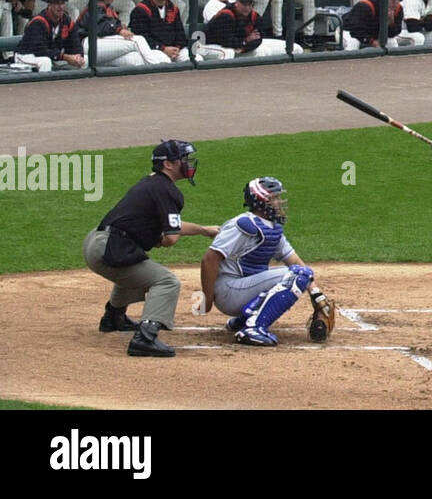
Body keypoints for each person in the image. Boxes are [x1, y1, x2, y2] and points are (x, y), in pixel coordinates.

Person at [83, 140, 219, 358]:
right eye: (183, 159)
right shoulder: (166, 190)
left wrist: (204, 230)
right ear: (168, 164)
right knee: (166, 281)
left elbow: (167, 227)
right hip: (109, 247)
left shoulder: (152, 183)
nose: (188, 163)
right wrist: (163, 239)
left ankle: (113, 318)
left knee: (135, 264)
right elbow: (171, 238)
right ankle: (145, 338)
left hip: (98, 242)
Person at [200, 176, 334, 347]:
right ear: (261, 202)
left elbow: (294, 260)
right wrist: (207, 298)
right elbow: (209, 259)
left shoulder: (272, 228)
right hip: (229, 291)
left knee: (300, 272)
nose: (280, 202)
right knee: (298, 275)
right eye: (275, 198)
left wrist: (316, 293)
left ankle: (244, 320)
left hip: (242, 288)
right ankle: (254, 328)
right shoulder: (242, 225)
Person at [204, 0, 301, 58]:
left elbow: (258, 39)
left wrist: (243, 48)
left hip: (238, 46)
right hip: (209, 45)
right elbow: (225, 41)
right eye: (244, 4)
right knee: (228, 53)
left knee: (296, 48)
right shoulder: (226, 15)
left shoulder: (255, 16)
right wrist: (246, 41)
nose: (247, 7)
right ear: (237, 3)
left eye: (249, 4)